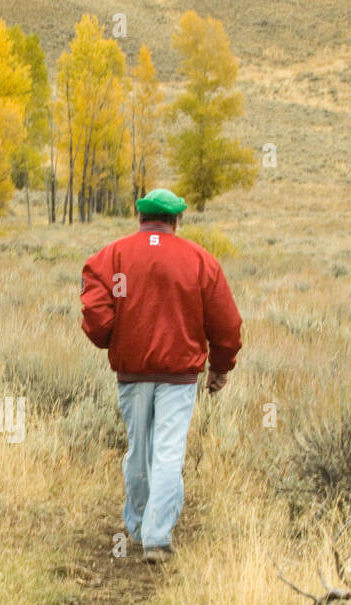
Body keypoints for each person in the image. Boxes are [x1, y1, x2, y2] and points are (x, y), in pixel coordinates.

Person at [80, 188, 242, 562]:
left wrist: (110, 337)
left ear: (141, 218)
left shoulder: (112, 256)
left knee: (139, 452)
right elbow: (227, 323)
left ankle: (137, 526)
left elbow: (95, 307)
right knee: (168, 452)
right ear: (176, 221)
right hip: (179, 377)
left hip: (132, 372)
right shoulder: (200, 261)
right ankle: (157, 536)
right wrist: (220, 366)